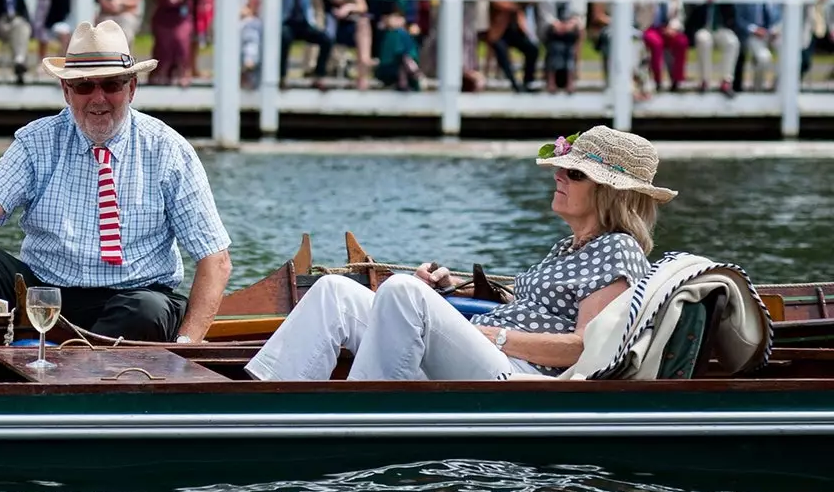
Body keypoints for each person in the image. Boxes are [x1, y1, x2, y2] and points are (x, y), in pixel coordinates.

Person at [247, 126, 669, 381]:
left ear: (612, 193)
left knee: (402, 293)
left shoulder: (618, 250)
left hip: (524, 377)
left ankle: (364, 415)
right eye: (564, 167)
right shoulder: (570, 247)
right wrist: (458, 297)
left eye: (575, 173)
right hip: (491, 353)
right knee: (334, 290)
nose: (558, 175)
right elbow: (543, 308)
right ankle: (263, 404)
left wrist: (485, 333)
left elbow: (582, 348)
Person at [0, 19, 232, 342]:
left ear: (131, 88)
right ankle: (66, 351)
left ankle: (55, 354)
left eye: (111, 85)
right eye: (84, 86)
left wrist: (187, 346)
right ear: (66, 91)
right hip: (46, 296)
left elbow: (214, 261)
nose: (98, 98)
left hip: (135, 298)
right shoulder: (37, 141)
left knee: (147, 312)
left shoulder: (168, 149)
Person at [686, 0, 741, 94]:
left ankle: (726, 81)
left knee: (732, 42)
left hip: (721, 27)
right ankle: (705, 81)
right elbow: (691, 6)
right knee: (703, 40)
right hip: (704, 26)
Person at [485, 0, 538, 93]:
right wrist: (517, 3)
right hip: (498, 31)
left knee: (533, 48)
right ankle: (515, 84)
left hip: (516, 29)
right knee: (501, 51)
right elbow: (499, 3)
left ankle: (528, 82)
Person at [636, 0, 687, 91]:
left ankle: (677, 81)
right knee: (655, 43)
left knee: (681, 41)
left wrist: (673, 27)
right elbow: (641, 2)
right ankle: (657, 80)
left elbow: (679, 13)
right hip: (650, 26)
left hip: (668, 27)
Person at [149, 0, 201, 87]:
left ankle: (182, 72)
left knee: (180, 39)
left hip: (182, 20)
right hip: (164, 20)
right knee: (164, 43)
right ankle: (161, 73)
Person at [538, 0, 585, 94]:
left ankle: (570, 80)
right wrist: (557, 25)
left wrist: (569, 24)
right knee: (555, 47)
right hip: (552, 31)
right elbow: (546, 16)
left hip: (569, 31)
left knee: (569, 49)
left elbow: (578, 16)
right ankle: (551, 81)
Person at [792, 0, 830, 81]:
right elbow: (799, 0)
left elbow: (829, 15)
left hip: (819, 30)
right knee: (802, 60)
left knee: (807, 62)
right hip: (803, 30)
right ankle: (792, 83)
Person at [373, 10, 422, 91]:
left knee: (401, 35)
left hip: (398, 65)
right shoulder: (384, 32)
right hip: (388, 66)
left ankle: (406, 65)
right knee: (398, 35)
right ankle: (409, 64)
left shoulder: (406, 34)